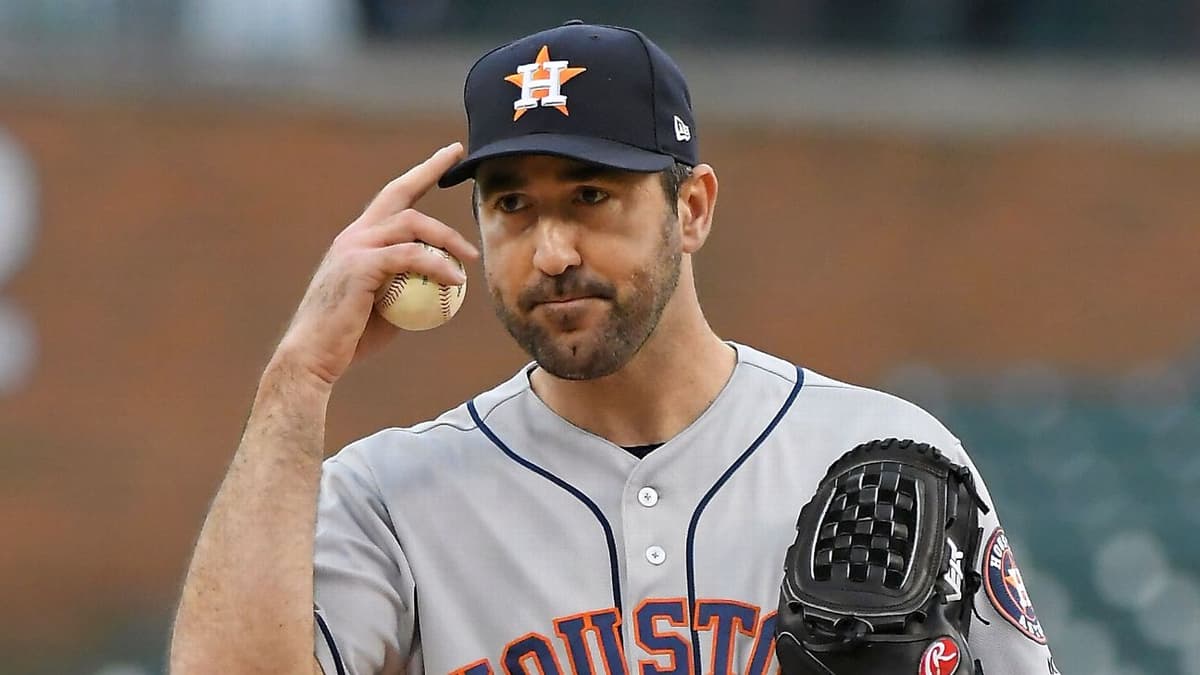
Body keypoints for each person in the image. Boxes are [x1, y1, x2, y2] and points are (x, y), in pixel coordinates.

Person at [169, 21, 1058, 675]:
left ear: (694, 208)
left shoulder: (878, 456)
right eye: (511, 204)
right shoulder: (389, 500)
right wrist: (296, 380)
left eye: (591, 195)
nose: (550, 252)